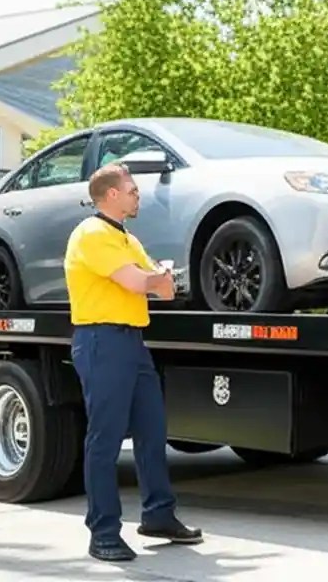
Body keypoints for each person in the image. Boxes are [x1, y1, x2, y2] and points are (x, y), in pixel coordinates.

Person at [64, 162, 203, 562]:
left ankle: (159, 516)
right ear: (111, 195)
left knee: (152, 430)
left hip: (132, 343)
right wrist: (156, 277)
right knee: (105, 440)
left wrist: (156, 279)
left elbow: (164, 291)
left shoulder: (127, 239)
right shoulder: (92, 234)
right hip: (101, 341)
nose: (138, 195)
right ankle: (103, 532)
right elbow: (140, 282)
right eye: (132, 190)